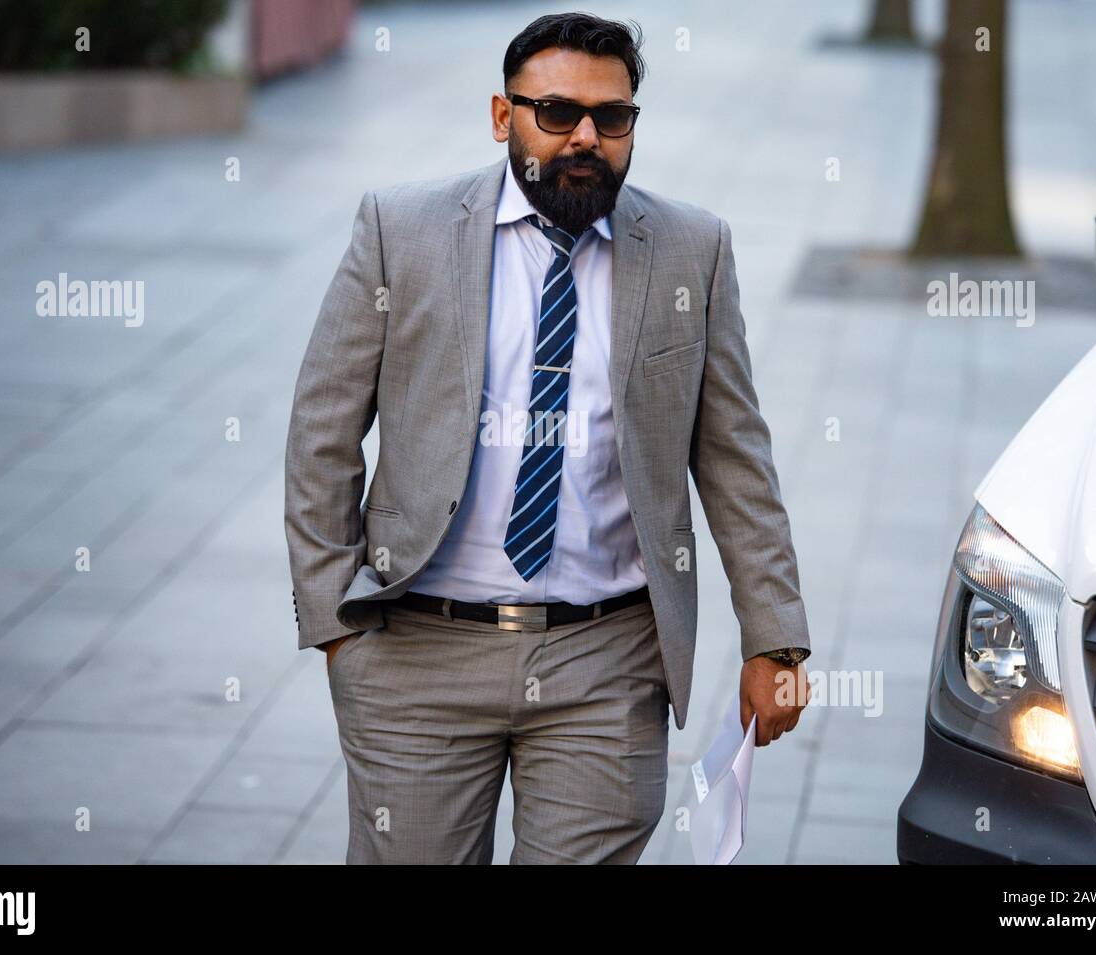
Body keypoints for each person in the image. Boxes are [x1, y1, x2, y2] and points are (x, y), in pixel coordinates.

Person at [285, 11, 811, 864]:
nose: (586, 138)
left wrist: (775, 639)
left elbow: (735, 458)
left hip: (605, 663)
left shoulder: (690, 251)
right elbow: (322, 429)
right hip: (416, 656)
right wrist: (336, 628)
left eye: (613, 118)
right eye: (557, 113)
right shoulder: (400, 231)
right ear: (504, 117)